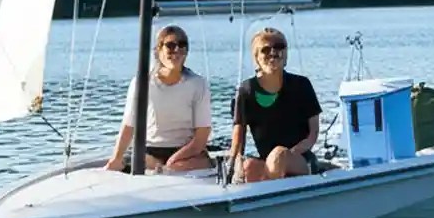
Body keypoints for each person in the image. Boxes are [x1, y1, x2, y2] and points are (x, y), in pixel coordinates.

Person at [105, 25, 213, 172]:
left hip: (186, 152)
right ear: (159, 50)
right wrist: (115, 159)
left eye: (182, 45)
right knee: (139, 163)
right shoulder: (141, 83)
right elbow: (129, 126)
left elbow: (201, 137)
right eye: (170, 45)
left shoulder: (198, 84)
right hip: (150, 151)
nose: (177, 50)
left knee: (176, 168)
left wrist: (173, 161)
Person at [230, 27, 322, 182]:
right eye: (265, 49)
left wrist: (288, 155)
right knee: (249, 167)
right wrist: (235, 164)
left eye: (279, 47)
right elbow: (238, 139)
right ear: (256, 58)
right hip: (267, 161)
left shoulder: (301, 85)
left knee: (279, 156)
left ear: (285, 54)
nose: (273, 53)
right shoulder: (245, 91)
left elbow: (313, 134)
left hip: (301, 159)